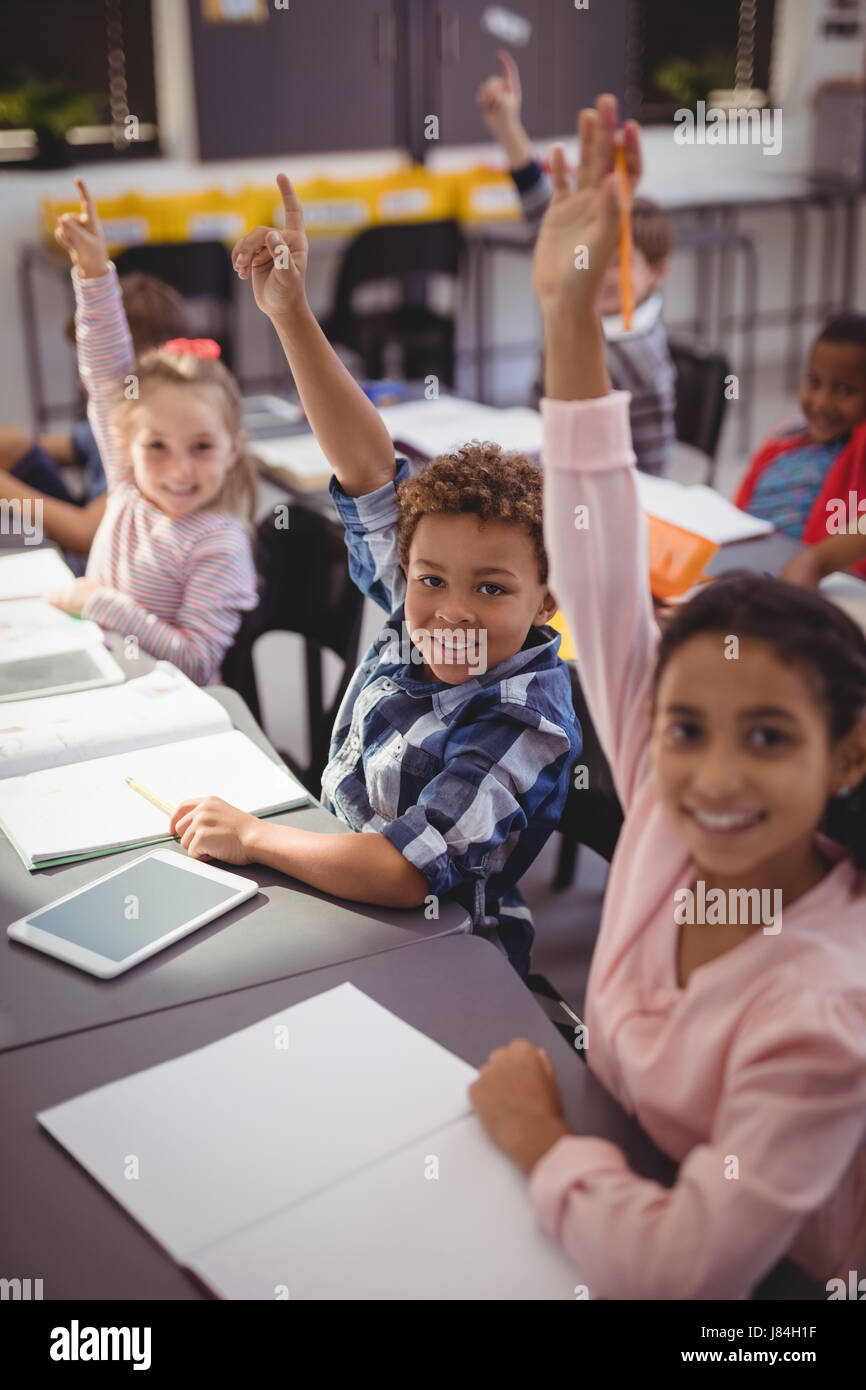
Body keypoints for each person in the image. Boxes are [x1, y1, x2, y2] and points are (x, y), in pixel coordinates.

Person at [469, 94, 866, 1299]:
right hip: (619, 1169)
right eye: (683, 727)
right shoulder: (661, 796)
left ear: (846, 758)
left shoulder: (818, 1013)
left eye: (767, 737)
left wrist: (541, 1136)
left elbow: (687, 1271)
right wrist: (565, 310)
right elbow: (593, 545)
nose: (710, 770)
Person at [167, 174, 580, 978]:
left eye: (492, 588)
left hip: (446, 957)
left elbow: (403, 873)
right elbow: (363, 466)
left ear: (545, 599)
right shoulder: (417, 609)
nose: (451, 609)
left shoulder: (527, 716)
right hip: (338, 903)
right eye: (429, 579)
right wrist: (290, 313)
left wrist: (254, 836)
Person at [45, 179, 258, 686]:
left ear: (234, 451)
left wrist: (97, 601)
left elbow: (197, 662)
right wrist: (93, 272)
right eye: (156, 446)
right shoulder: (130, 481)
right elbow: (105, 374)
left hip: (180, 717)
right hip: (115, 682)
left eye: (201, 447)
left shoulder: (219, 545)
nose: (178, 468)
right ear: (127, 446)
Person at [478, 49, 676, 475]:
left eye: (616, 262)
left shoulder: (635, 357)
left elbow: (653, 477)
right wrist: (507, 127)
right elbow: (543, 214)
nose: (597, 271)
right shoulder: (585, 302)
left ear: (657, 272)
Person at [0, 272, 189, 569]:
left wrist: (4, 489)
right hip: (91, 540)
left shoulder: (155, 439)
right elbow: (50, 445)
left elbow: (87, 534)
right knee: (12, 443)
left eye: (91, 366)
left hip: (109, 564)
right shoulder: (106, 421)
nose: (81, 382)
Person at [736, 313, 866, 577]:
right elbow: (738, 511)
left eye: (844, 390)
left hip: (810, 584)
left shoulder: (859, 452)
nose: (820, 403)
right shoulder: (783, 437)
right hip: (743, 563)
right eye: (814, 382)